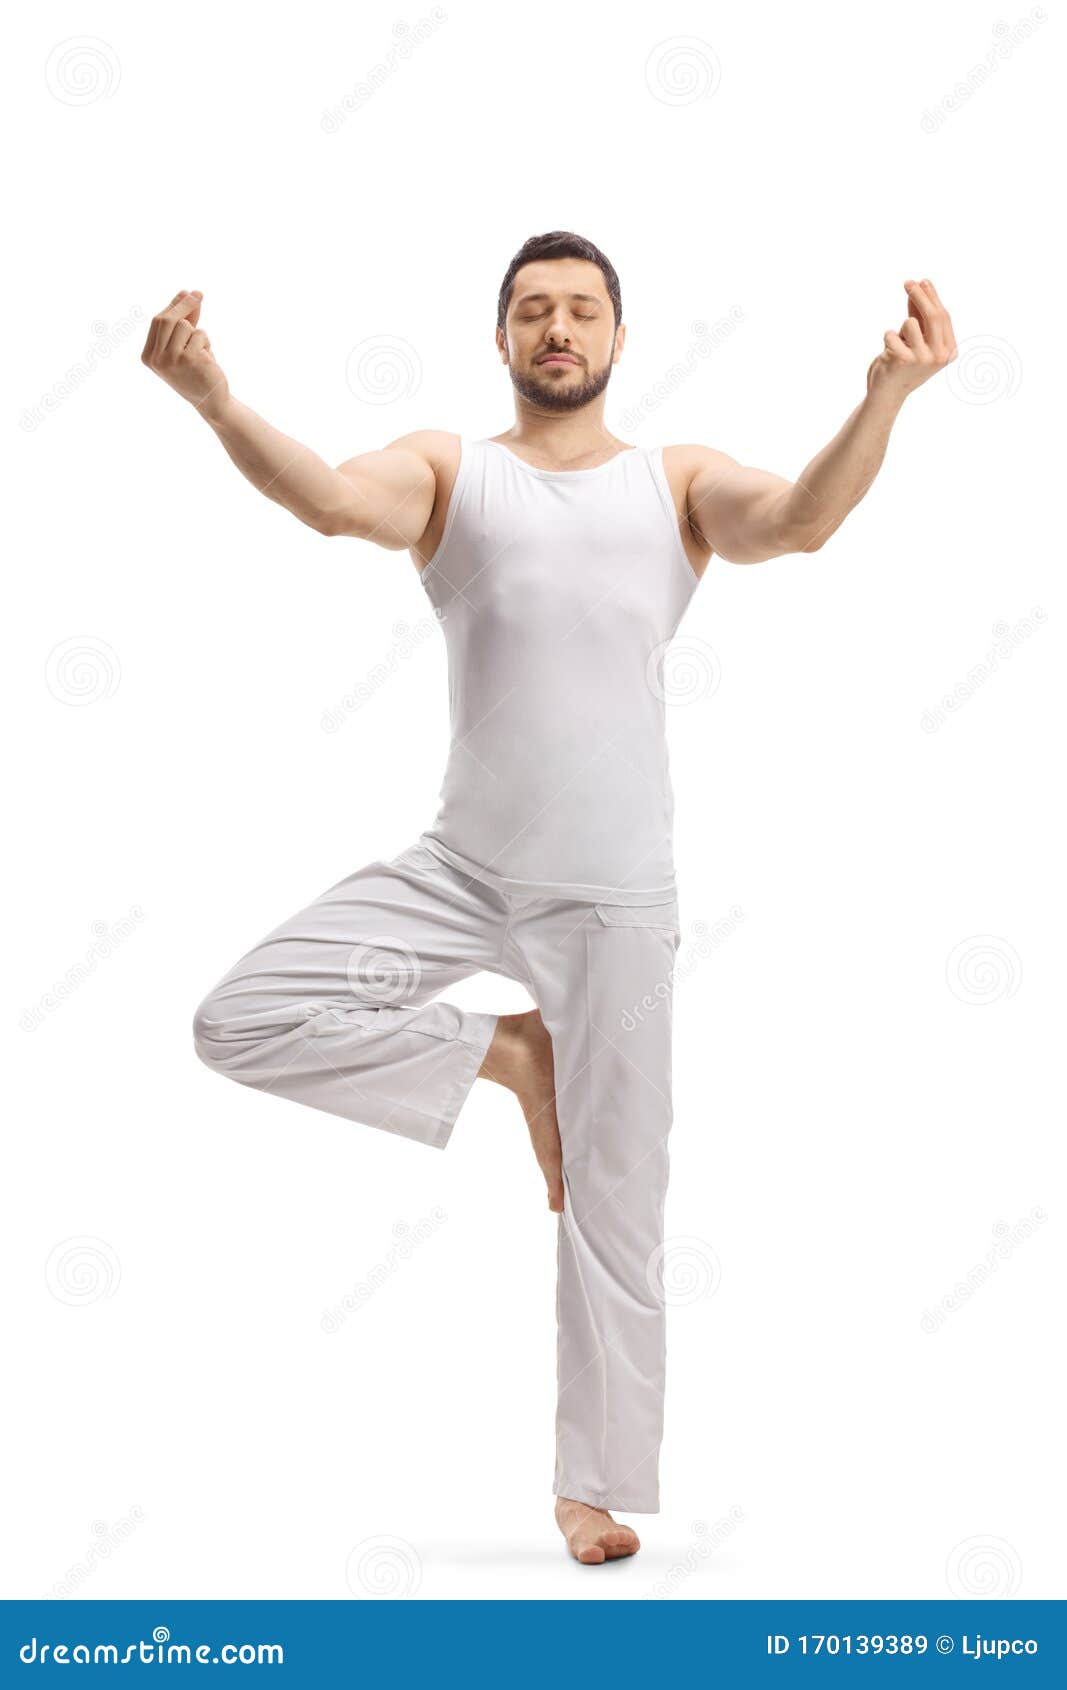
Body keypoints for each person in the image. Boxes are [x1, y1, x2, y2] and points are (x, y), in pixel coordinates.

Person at [142, 232, 956, 1566]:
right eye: (533, 311)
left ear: (621, 338)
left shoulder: (674, 482)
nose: (558, 327)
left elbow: (800, 523)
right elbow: (335, 500)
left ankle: (591, 1489)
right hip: (464, 870)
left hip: (617, 891)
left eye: (582, 309)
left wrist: (888, 396)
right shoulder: (454, 473)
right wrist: (221, 402)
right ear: (505, 340)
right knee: (239, 1018)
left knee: (617, 1200)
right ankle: (507, 1051)